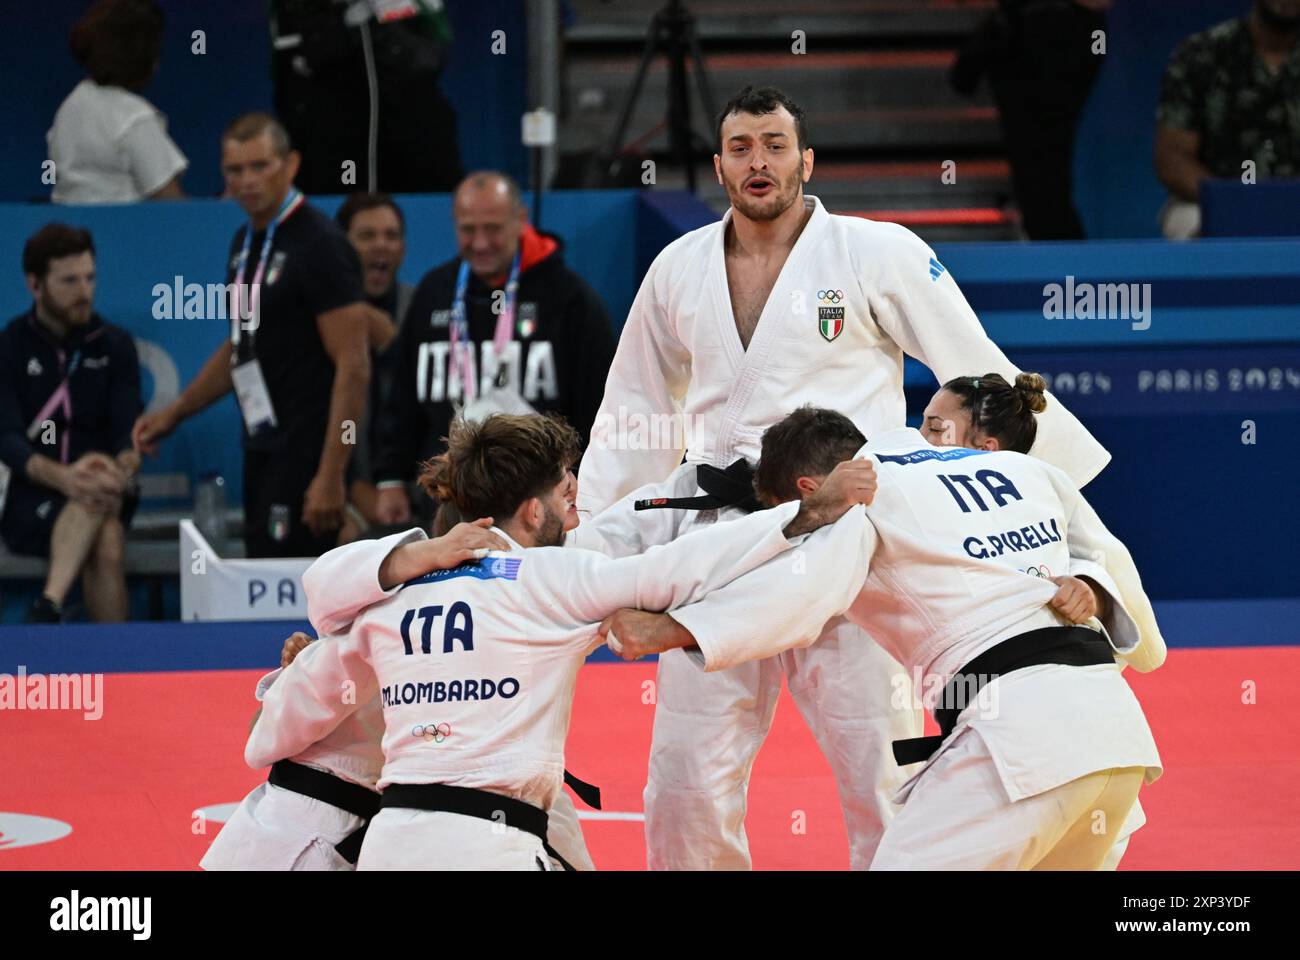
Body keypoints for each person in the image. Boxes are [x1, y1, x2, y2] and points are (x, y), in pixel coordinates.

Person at [576, 84, 1110, 871]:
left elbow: (979, 372)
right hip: (722, 540)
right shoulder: (677, 268)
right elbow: (635, 411)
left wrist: (1057, 534)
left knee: (888, 771)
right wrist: (599, 548)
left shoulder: (876, 250)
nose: (759, 161)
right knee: (688, 782)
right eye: (741, 148)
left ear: (807, 161)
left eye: (775, 144)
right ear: (720, 168)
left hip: (857, 536)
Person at [245, 413, 873, 869]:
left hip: (390, 847)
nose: (577, 509)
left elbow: (272, 730)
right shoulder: (548, 577)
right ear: (532, 510)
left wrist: (294, 681)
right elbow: (683, 564)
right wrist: (800, 517)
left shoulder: (391, 595)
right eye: (566, 494)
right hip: (492, 848)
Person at [602, 401, 1163, 870]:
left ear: (808, 489)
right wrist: (1102, 598)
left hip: (1019, 747)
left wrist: (669, 629)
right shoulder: (1023, 470)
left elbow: (799, 595)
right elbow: (1108, 558)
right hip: (1118, 737)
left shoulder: (864, 498)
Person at [201, 519, 509, 871]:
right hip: (302, 838)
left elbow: (261, 739)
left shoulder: (357, 649)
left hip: (344, 834)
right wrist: (297, 674)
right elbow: (259, 741)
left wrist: (297, 676)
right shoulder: (348, 648)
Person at [132, 114, 371, 558]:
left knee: (303, 595)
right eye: (234, 170)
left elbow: (353, 365)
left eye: (260, 166)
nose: (247, 181)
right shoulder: (245, 242)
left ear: (291, 164)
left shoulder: (320, 244)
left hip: (309, 454)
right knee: (263, 574)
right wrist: (176, 412)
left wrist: (332, 473)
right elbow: (243, 345)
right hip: (263, 446)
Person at [372, 172, 615, 529]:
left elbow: (600, 404)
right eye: (468, 230)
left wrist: (584, 488)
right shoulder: (434, 292)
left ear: (520, 220)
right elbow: (403, 399)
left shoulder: (569, 299)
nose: (481, 242)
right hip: (449, 501)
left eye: (493, 228)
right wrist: (390, 478)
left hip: (538, 506)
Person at [0, 225, 142, 623]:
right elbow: (7, 439)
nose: (84, 291)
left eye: (90, 278)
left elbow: (128, 436)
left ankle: (48, 604)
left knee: (98, 502)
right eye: (69, 280)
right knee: (108, 540)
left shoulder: (114, 345)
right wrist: (65, 478)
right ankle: (116, 669)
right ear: (35, 284)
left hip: (106, 486)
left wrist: (118, 469)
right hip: (33, 498)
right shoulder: (10, 346)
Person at [951, 0, 1111, 240]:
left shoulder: (1072, 29)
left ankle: (1065, 260)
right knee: (1039, 179)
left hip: (1054, 39)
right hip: (1023, 40)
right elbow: (962, 79)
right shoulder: (1009, 27)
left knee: (1044, 180)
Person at [1155, 0, 1300, 239]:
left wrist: (1285, 204)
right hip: (1210, 200)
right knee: (1191, 221)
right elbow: (1172, 158)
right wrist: (1232, 201)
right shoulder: (1201, 53)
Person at [47, 0, 187, 204]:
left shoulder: (69, 107)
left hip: (74, 230)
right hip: (127, 232)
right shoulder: (132, 116)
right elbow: (171, 201)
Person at [335, 193, 415, 538]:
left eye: (391, 235)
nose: (380, 245)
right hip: (339, 491)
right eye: (366, 236)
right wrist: (351, 490)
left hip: (416, 492)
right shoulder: (320, 318)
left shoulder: (423, 309)